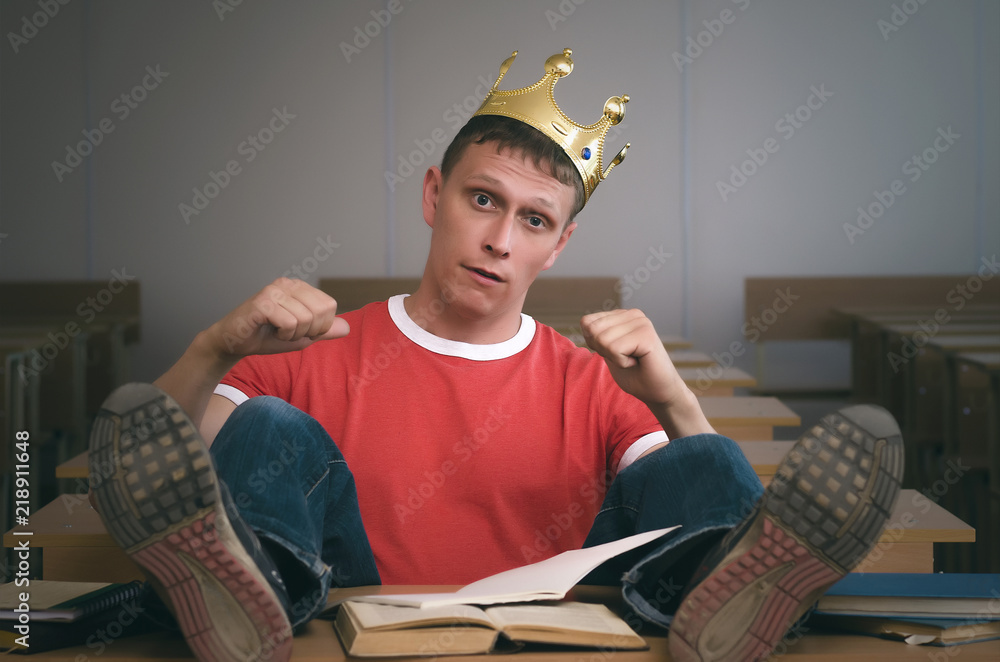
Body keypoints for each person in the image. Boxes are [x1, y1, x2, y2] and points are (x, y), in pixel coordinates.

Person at [88, 49, 904, 662]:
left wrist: (672, 399)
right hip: (339, 630)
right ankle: (246, 595)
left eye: (534, 220)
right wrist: (212, 348)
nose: (499, 241)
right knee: (265, 425)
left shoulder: (593, 379)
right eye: (483, 199)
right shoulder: (305, 352)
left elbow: (698, 497)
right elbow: (152, 474)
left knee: (707, 456)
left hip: (560, 639)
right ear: (432, 194)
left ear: (559, 245)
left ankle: (728, 622)